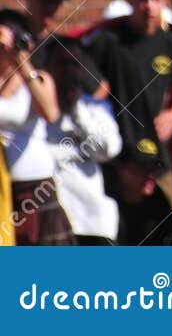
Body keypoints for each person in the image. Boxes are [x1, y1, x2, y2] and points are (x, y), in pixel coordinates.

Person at [83, 0, 172, 244]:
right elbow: (81, 78)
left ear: (164, 3)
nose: (149, 6)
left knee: (168, 229)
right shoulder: (109, 40)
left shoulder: (170, 44)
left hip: (157, 155)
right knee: (115, 234)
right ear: (130, 1)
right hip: (117, 155)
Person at [0, 9, 66, 244]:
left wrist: (22, 61)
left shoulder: (39, 78)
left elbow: (50, 113)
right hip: (2, 188)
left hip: (34, 184)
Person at [44, 45, 121, 245]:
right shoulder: (36, 113)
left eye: (75, 64)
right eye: (62, 64)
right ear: (48, 68)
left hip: (92, 222)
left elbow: (109, 149)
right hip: (52, 221)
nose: (69, 70)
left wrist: (77, 110)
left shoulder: (95, 108)